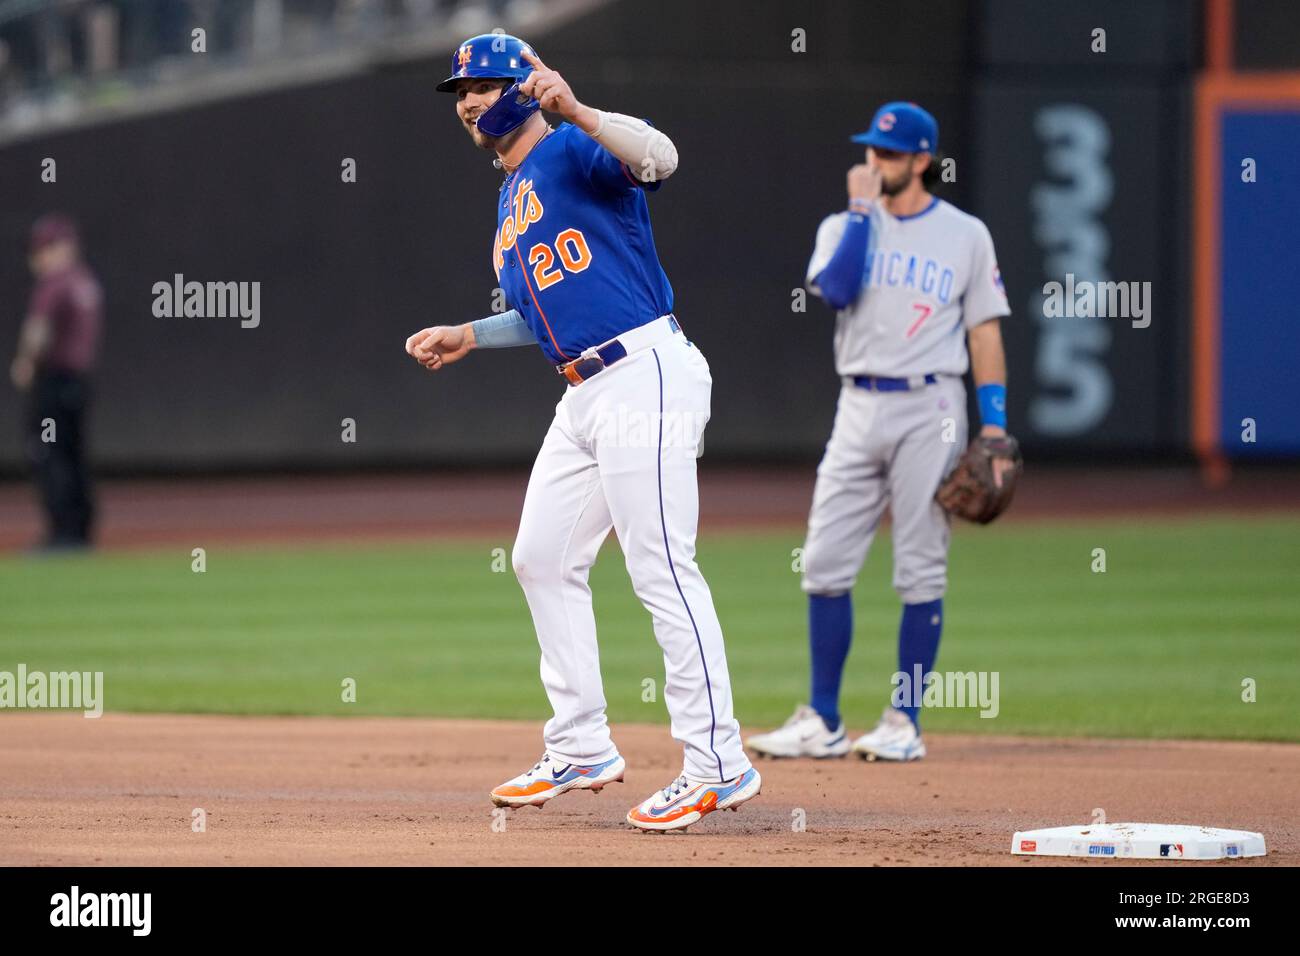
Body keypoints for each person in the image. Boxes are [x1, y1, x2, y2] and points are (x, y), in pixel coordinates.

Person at [404, 34, 760, 830]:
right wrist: (470, 332)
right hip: (583, 393)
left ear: (527, 86)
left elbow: (661, 157)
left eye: (485, 84)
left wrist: (581, 111)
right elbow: (538, 317)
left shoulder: (572, 149)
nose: (467, 100)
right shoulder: (509, 202)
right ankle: (582, 745)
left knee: (662, 566)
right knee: (540, 556)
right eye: (460, 90)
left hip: (645, 369)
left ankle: (718, 762)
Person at [746, 102, 1012, 762]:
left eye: (890, 154)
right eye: (871, 151)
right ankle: (824, 719)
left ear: (923, 160)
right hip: (858, 402)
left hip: (933, 404)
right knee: (823, 562)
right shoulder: (843, 224)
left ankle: (903, 720)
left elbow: (984, 331)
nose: (876, 162)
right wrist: (863, 213)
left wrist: (997, 426)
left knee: (920, 566)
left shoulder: (965, 234)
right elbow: (836, 291)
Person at [11, 213, 104, 552]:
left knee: (50, 454)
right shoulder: (85, 281)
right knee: (73, 455)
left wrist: (25, 363)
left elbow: (38, 329)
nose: (37, 258)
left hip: (56, 382)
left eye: (44, 249)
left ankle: (63, 533)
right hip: (78, 383)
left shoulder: (56, 283)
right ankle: (79, 529)